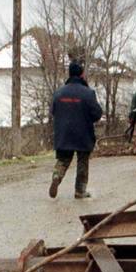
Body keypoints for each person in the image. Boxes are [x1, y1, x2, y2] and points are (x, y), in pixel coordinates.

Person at [49, 61, 103, 200]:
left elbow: (53, 111)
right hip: (83, 133)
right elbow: (97, 114)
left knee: (63, 159)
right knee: (82, 161)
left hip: (63, 133)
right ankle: (80, 190)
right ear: (82, 74)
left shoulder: (59, 93)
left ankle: (57, 176)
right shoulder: (88, 93)